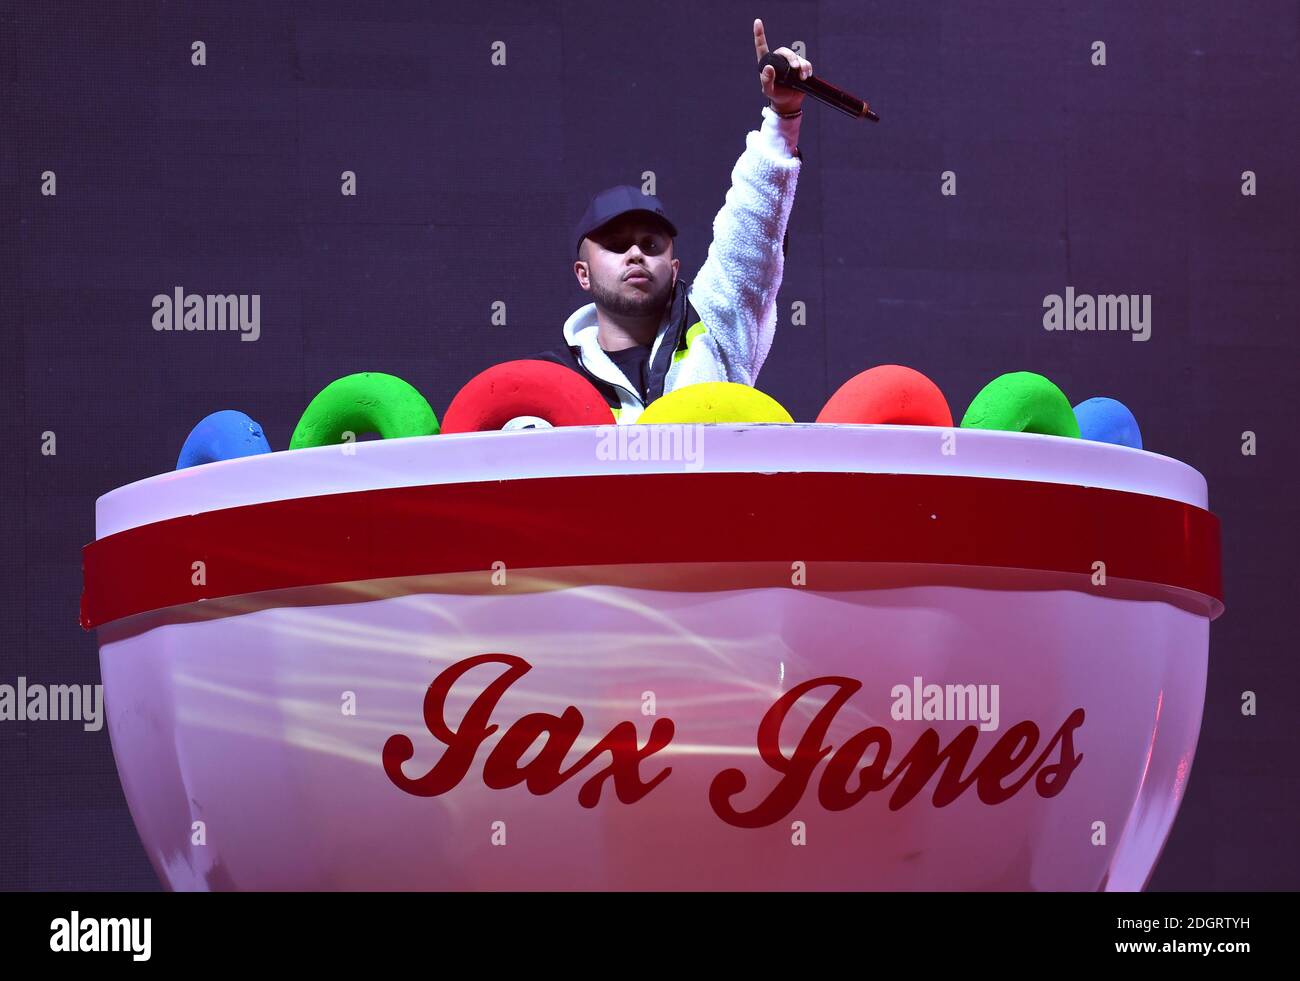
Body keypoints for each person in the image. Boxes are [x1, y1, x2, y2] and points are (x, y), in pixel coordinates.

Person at [528, 19, 813, 423]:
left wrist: (782, 116)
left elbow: (750, 223)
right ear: (583, 274)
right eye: (615, 245)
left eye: (651, 245)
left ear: (674, 267)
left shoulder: (717, 328)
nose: (634, 254)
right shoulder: (554, 384)